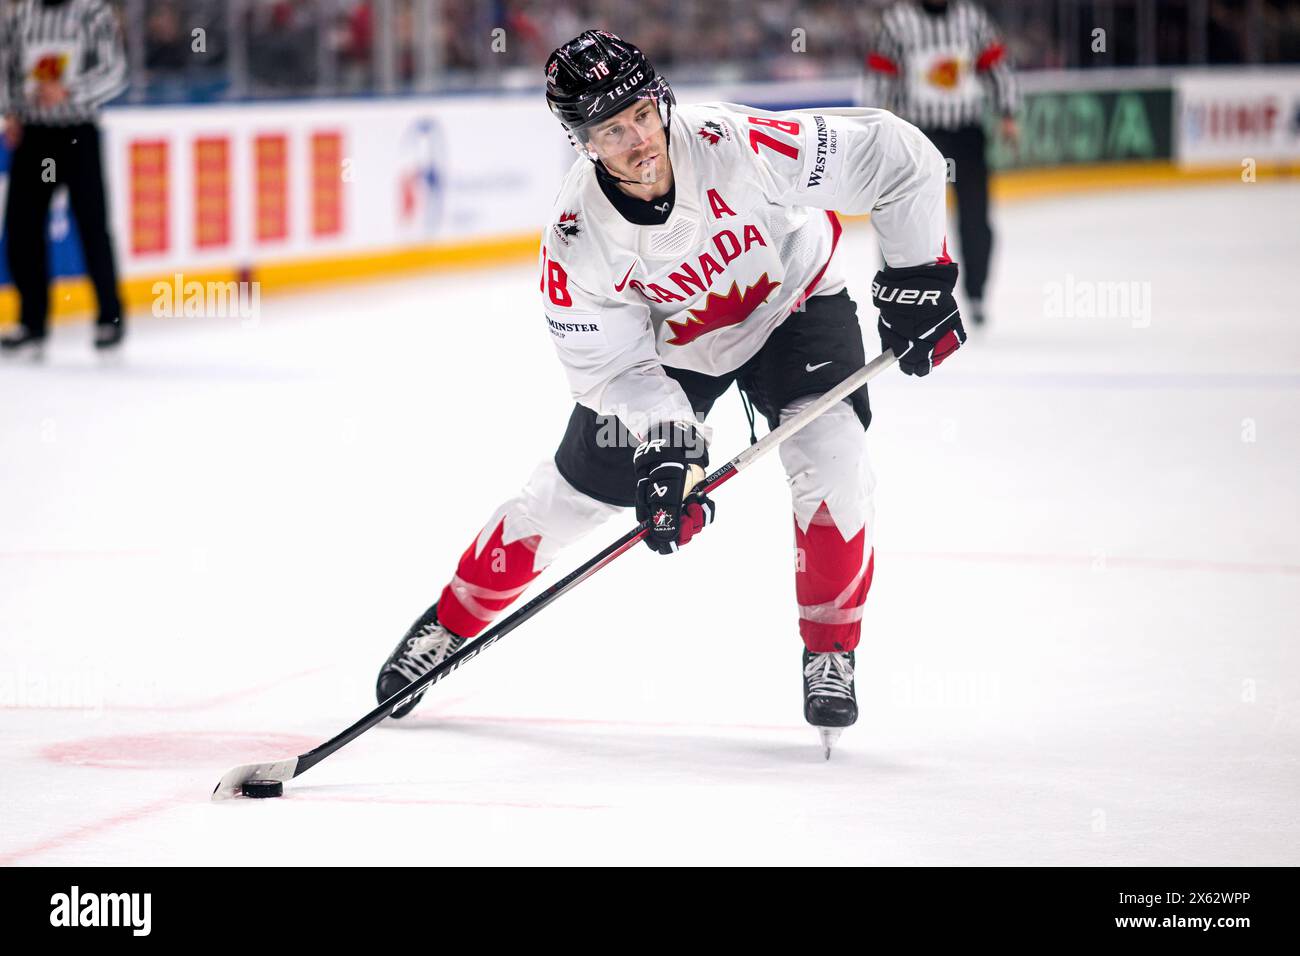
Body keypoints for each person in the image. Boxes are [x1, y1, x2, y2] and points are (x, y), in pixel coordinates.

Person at [375, 30, 965, 753]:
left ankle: (830, 651)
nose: (638, 139)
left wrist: (918, 274)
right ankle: (449, 623)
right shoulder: (574, 238)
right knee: (572, 497)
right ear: (582, 141)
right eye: (611, 129)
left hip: (797, 306)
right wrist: (667, 451)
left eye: (643, 115)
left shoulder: (737, 142)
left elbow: (897, 157)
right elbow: (608, 370)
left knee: (835, 459)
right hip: (671, 353)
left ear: (663, 102)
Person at [865, 0, 1019, 325]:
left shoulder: (971, 18)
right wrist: (876, 125)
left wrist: (1007, 112)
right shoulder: (897, 22)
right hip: (918, 135)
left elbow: (996, 65)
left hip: (966, 133)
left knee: (976, 216)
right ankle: (903, 292)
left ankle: (976, 293)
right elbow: (879, 77)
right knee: (906, 217)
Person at [0, 0, 127, 359]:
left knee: (91, 224)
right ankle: (32, 325)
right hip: (34, 135)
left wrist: (70, 90)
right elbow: (6, 66)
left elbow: (115, 72)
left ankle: (110, 318)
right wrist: (9, 110)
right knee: (22, 229)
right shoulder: (21, 14)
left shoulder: (92, 11)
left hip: (77, 133)